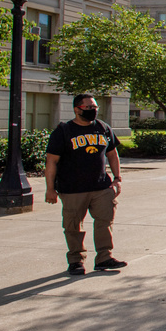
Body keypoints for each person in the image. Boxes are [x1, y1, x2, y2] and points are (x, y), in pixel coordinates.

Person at [45, 94, 126, 276]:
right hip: (72, 189)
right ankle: (76, 260)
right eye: (88, 108)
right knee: (73, 226)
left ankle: (104, 257)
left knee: (105, 222)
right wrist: (50, 189)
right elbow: (51, 162)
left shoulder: (103, 128)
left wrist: (117, 178)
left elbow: (112, 154)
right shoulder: (64, 131)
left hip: (101, 187)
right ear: (77, 109)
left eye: (95, 107)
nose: (93, 111)